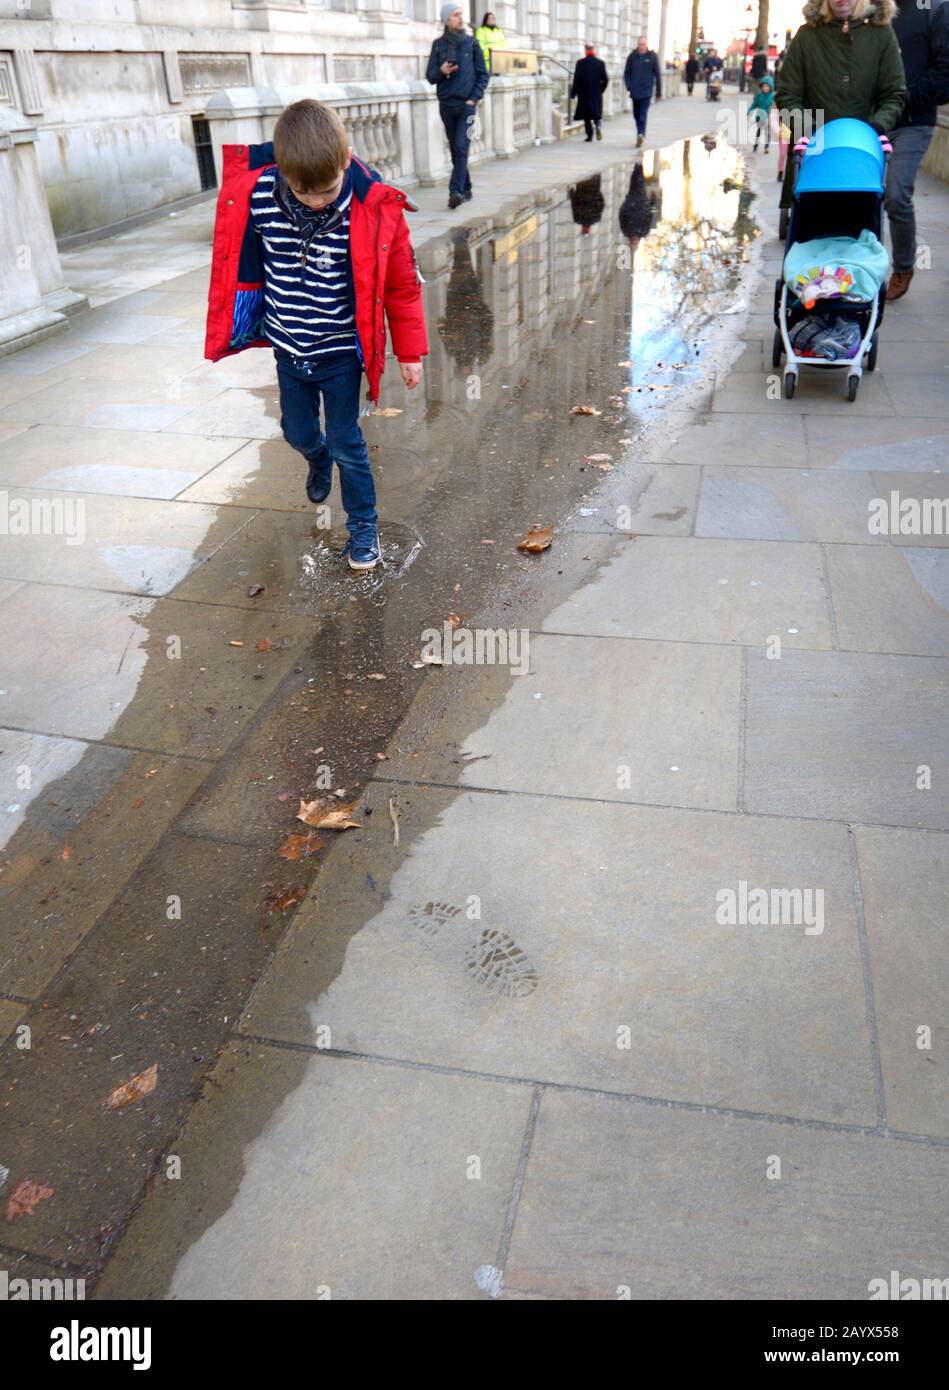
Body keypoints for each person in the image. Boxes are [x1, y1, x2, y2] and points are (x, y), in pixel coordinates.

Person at [203, 99, 427, 571]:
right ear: (282, 171)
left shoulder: (374, 209)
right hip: (289, 346)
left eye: (327, 190)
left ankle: (363, 527)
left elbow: (402, 287)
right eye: (305, 193)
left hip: (342, 351)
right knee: (297, 431)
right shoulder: (259, 196)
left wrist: (410, 353)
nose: (318, 200)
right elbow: (236, 258)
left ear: (346, 161)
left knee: (349, 443)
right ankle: (315, 456)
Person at [775, 1, 906, 213]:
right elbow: (787, 95)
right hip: (814, 148)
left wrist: (876, 127)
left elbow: (894, 94)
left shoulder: (881, 35)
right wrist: (810, 129)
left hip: (862, 149)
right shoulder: (807, 35)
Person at [884, 0, 949, 300]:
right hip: (873, 121)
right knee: (860, 193)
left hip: (914, 122)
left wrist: (905, 97)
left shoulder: (935, 9)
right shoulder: (874, 9)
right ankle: (858, 266)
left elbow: (945, 72)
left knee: (896, 194)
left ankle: (903, 266)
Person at [426, 3, 490, 209]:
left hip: (467, 107)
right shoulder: (438, 45)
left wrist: (474, 99)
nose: (460, 18)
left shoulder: (472, 43)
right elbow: (430, 77)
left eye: (461, 14)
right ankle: (467, 186)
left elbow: (483, 74)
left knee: (462, 146)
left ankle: (456, 191)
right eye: (456, 15)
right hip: (446, 105)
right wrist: (441, 70)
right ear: (447, 20)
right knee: (456, 149)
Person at [624, 36, 662, 148]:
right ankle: (640, 132)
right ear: (637, 44)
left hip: (646, 91)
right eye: (640, 44)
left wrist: (658, 93)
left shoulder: (652, 56)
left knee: (642, 114)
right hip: (635, 91)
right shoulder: (632, 56)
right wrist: (629, 86)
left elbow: (658, 75)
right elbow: (626, 73)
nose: (641, 46)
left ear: (646, 44)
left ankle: (641, 134)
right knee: (636, 115)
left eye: (643, 44)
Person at [571, 42, 609, 142]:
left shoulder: (580, 63)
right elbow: (606, 79)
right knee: (596, 114)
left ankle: (589, 136)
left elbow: (577, 79)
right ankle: (598, 126)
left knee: (586, 116)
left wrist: (573, 93)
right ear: (593, 50)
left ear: (585, 50)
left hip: (584, 93)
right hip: (596, 93)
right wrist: (601, 90)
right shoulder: (600, 63)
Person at [749, 75, 775, 152]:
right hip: (760, 116)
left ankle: (766, 147)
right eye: (764, 86)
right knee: (758, 131)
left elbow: (775, 107)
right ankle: (755, 145)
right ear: (762, 87)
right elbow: (754, 105)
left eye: (767, 86)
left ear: (770, 87)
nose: (765, 88)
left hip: (768, 117)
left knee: (767, 133)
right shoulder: (759, 95)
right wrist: (749, 112)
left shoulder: (772, 96)